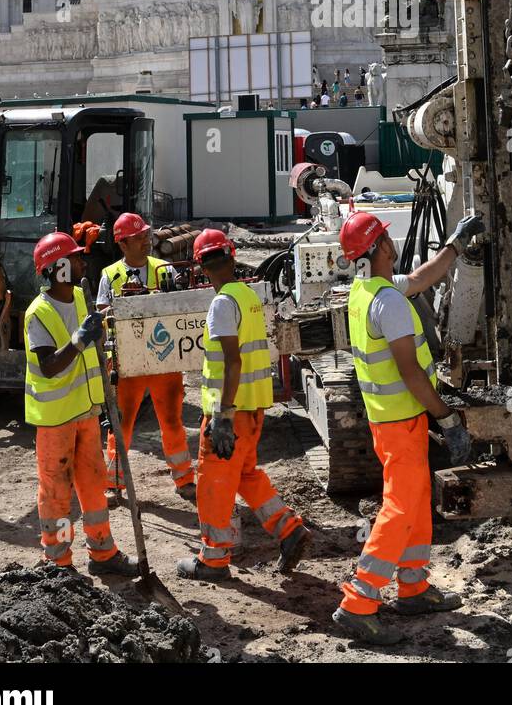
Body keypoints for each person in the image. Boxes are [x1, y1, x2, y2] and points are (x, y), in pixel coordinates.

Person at [332, 208, 484, 645]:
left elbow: (421, 278)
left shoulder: (369, 292)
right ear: (381, 247)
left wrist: (455, 243)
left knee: (415, 499)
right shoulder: (389, 305)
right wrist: (448, 419)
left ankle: (413, 586)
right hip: (401, 420)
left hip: (392, 422)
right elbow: (411, 375)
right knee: (399, 507)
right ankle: (358, 602)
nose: (390, 242)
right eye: (385, 237)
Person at [177, 229, 311, 582]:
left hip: (230, 414)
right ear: (233, 257)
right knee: (246, 475)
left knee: (212, 483)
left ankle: (214, 559)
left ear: (201, 268)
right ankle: (289, 528)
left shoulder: (222, 303)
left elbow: (232, 362)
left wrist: (221, 416)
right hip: (251, 411)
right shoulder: (247, 296)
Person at [24, 231, 137, 576]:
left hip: (87, 411)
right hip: (56, 418)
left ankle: (103, 553)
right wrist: (79, 339)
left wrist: (106, 404)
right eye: (74, 258)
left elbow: (95, 357)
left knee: (93, 484)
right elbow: (49, 365)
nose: (81, 262)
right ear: (58, 267)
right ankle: (58, 562)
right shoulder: (38, 313)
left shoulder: (81, 297)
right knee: (57, 493)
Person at [97, 212, 196, 505]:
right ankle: (115, 483)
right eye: (138, 238)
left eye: (146, 236)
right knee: (121, 425)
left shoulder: (164, 268)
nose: (146, 242)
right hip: (128, 363)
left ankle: (184, 479)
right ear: (122, 244)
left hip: (163, 360)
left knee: (172, 421)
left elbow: (181, 305)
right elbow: (103, 316)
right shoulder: (110, 275)